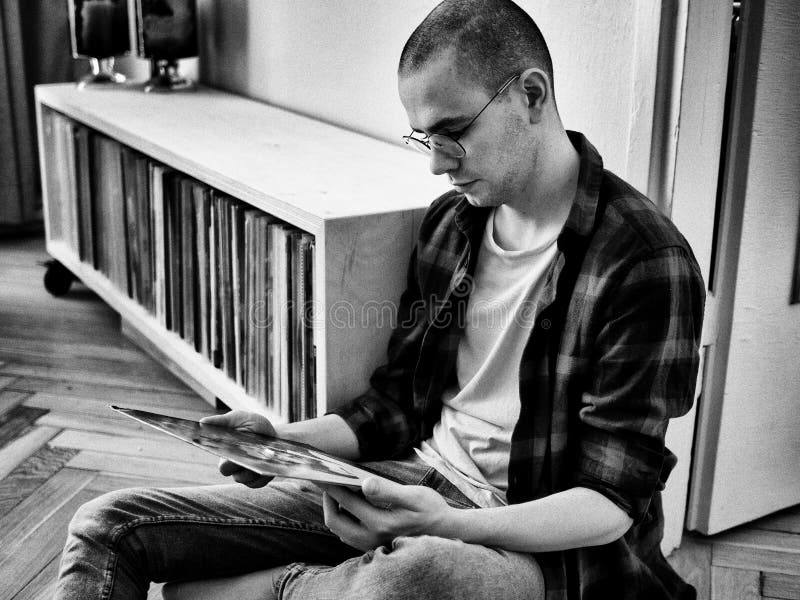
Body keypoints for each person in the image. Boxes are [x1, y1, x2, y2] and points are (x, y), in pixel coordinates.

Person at [54, 1, 705, 598]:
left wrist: (449, 524)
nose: (437, 164)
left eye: (451, 132)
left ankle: (279, 588)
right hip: (413, 483)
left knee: (409, 581)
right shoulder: (453, 225)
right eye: (425, 138)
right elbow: (394, 405)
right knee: (108, 524)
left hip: (548, 552)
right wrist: (278, 439)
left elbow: (608, 503)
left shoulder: (645, 263)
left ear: (531, 95)